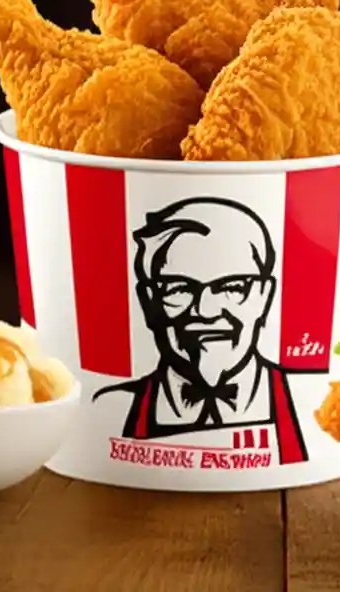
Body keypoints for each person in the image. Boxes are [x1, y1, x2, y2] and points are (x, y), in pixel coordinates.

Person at [94, 197, 306, 461]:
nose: (206, 311)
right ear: (148, 301)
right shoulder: (108, 410)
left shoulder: (310, 402)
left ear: (264, 296)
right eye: (179, 288)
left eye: (233, 287)